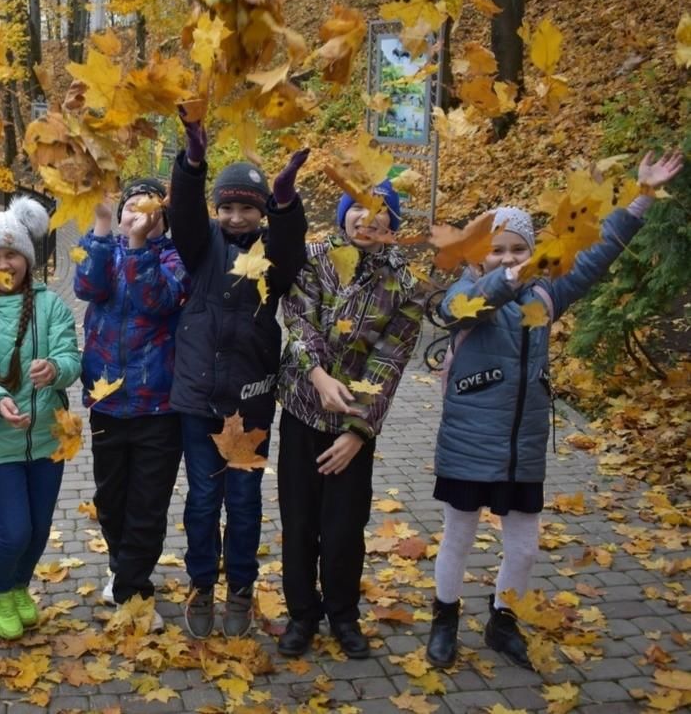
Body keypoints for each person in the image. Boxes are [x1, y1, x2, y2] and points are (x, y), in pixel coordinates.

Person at [425, 149, 684, 670]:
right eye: (497, 249)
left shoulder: (547, 293)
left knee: (523, 547)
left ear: (534, 250)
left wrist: (641, 197)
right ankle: (444, 618)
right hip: (469, 443)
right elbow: (456, 313)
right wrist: (507, 278)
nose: (507, 257)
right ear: (480, 255)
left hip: (523, 446)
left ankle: (504, 619)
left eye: (518, 248)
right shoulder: (466, 290)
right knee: (459, 537)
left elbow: (597, 253)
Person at [169, 111, 309, 638]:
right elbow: (183, 213)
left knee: (245, 502)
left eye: (245, 209)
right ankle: (202, 582)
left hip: (250, 401)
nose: (234, 217)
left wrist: (285, 201)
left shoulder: (270, 254)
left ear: (259, 214)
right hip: (199, 401)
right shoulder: (201, 247)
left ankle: (241, 588)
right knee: (203, 500)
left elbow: (292, 248)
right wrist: (193, 164)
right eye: (225, 207)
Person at [275, 181, 425, 658]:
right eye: (358, 206)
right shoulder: (315, 257)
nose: (368, 217)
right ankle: (302, 615)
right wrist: (317, 375)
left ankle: (343, 614)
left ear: (392, 223)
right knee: (299, 522)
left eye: (382, 210)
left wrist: (360, 430)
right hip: (302, 409)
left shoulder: (405, 284)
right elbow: (298, 319)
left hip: (354, 428)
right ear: (343, 214)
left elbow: (390, 360)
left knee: (344, 527)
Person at [0, 197, 81, 641]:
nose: (4, 263)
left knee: (41, 528)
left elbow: (70, 354)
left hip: (50, 437)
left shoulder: (52, 307)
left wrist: (57, 369)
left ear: (28, 258)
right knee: (15, 529)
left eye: (11, 254)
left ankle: (20, 588)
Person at [74, 178, 189, 631]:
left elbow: (155, 298)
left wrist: (141, 242)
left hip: (157, 404)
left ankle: (135, 593)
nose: (138, 214)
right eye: (129, 207)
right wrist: (103, 227)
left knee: (147, 505)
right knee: (111, 499)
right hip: (107, 401)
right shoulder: (106, 248)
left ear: (162, 214)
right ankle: (122, 569)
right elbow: (86, 285)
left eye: (148, 207)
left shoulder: (176, 258)